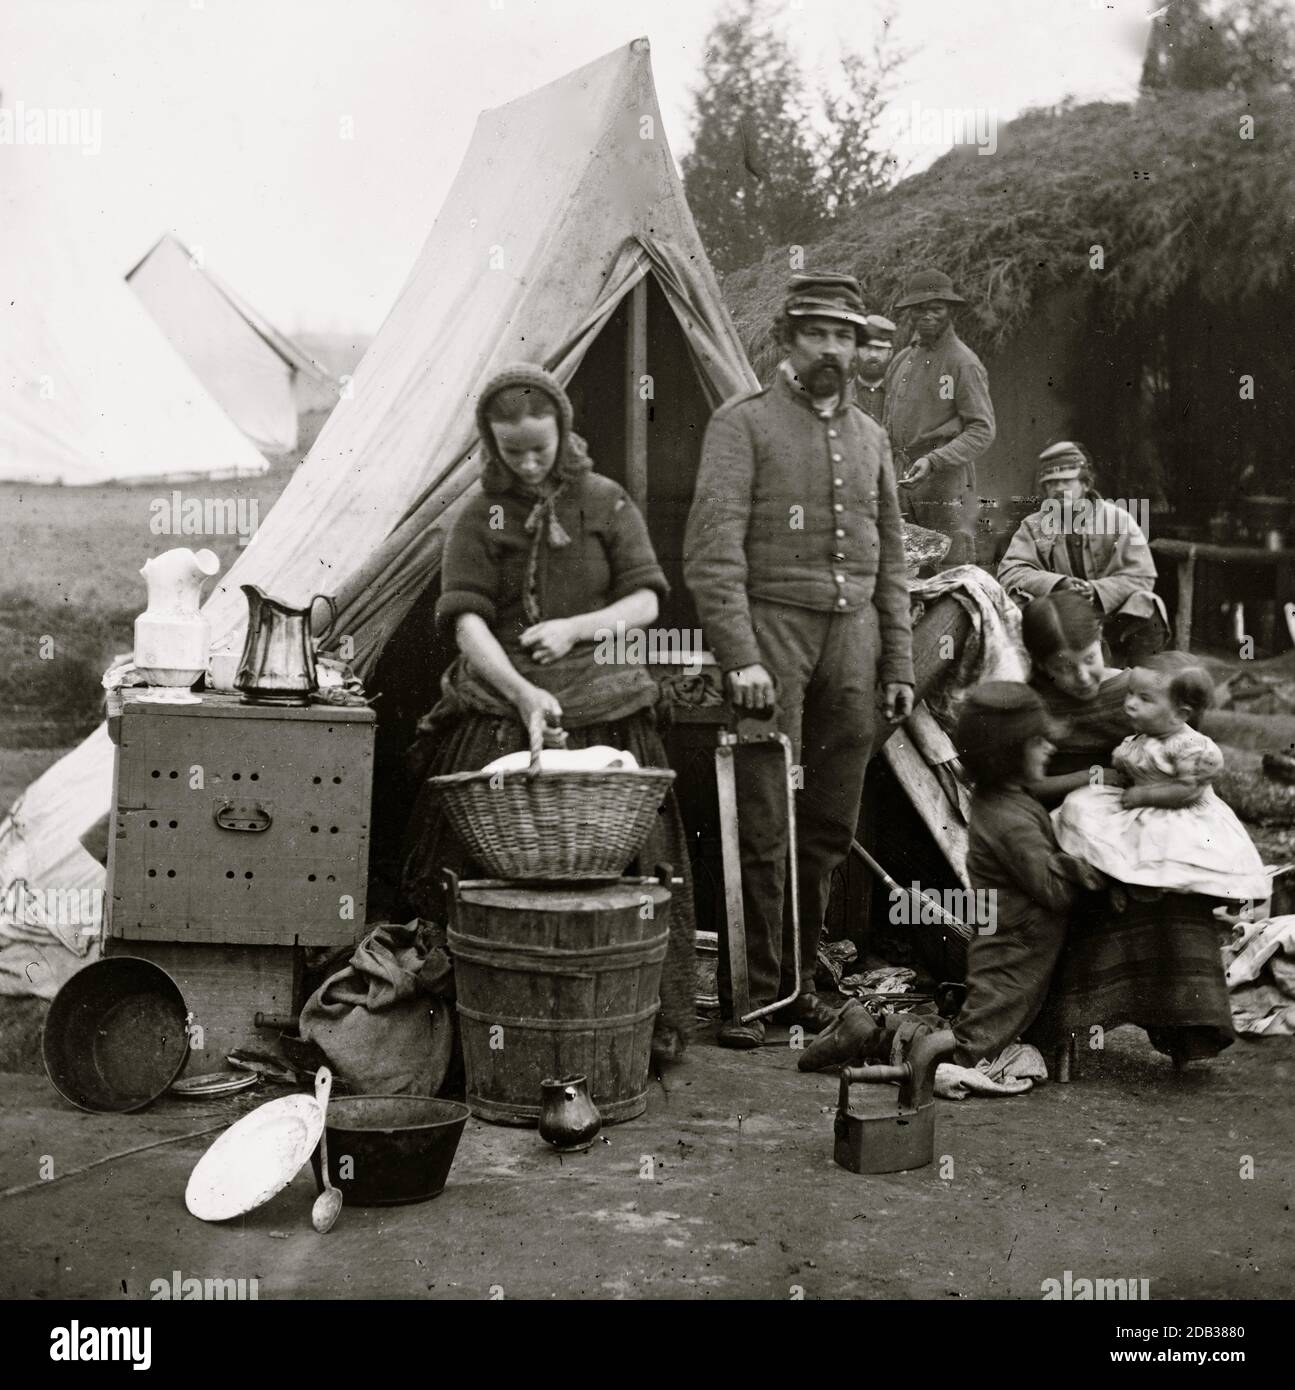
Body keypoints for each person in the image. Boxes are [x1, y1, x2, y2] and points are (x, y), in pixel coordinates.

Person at [401, 363, 696, 1066]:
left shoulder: (606, 501)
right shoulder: (478, 515)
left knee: (637, 865)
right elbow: (467, 623)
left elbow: (646, 603)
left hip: (604, 702)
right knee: (473, 865)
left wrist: (578, 628)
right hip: (501, 703)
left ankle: (637, 1024)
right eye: (513, 453)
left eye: (542, 448)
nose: (529, 464)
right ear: (491, 444)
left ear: (564, 431)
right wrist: (522, 693)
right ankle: (479, 1027)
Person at [684, 272, 915, 1049]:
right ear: (785, 342)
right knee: (762, 817)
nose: (831, 348)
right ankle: (751, 998)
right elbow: (711, 555)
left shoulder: (872, 438)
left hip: (853, 644)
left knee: (825, 824)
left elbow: (891, 563)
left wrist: (899, 666)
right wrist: (739, 655)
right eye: (815, 332)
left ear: (857, 349)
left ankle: (800, 985)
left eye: (845, 335)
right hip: (770, 638)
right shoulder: (741, 424)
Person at [1020, 591, 1237, 1066]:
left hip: (1145, 810)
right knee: (1090, 881)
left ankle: (1188, 1031)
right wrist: (1093, 779)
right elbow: (1030, 786)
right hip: (1071, 817)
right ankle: (1068, 1031)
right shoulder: (1035, 708)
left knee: (1173, 882)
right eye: (1063, 667)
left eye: (1090, 659)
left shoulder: (1136, 690)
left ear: (1102, 641)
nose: (1081, 677)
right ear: (1039, 664)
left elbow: (1185, 753)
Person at [949, 683, 1105, 1068]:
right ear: (1007, 754)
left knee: (988, 1026)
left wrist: (1095, 777)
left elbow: (1040, 789)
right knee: (973, 1047)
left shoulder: (1004, 797)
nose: (1049, 748)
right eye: (1038, 742)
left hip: (1016, 939)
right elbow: (1054, 892)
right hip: (1016, 947)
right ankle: (874, 1038)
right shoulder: (1010, 820)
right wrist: (1084, 868)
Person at [1053, 655, 1270, 902]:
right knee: (1083, 806)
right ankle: (1099, 873)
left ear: (1179, 714)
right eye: (1130, 693)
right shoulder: (1145, 736)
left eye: (1145, 699)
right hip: (1140, 804)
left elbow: (1188, 790)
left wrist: (1145, 795)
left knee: (1159, 844)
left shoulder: (1190, 746)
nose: (1130, 704)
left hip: (1177, 812)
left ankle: (1142, 886)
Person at [998, 441, 1169, 666]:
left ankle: (1142, 679)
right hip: (1059, 618)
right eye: (1051, 483)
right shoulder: (1034, 525)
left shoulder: (1119, 519)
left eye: (1066, 481)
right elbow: (1011, 571)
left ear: (1085, 484)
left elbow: (1142, 575)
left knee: (1147, 604)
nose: (1058, 489)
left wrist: (1096, 591)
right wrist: (1058, 584)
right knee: (1017, 601)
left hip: (1109, 617)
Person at [883, 269, 995, 568]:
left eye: (936, 308)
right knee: (902, 567)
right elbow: (888, 425)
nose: (927, 316)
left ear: (950, 311)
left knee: (949, 570)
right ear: (909, 313)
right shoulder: (901, 361)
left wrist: (935, 460)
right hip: (902, 478)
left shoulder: (963, 362)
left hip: (944, 484)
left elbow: (982, 430)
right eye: (920, 309)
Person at [852, 313, 896, 423]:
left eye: (880, 348)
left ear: (890, 353)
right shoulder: (841, 392)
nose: (873, 354)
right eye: (867, 347)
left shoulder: (899, 394)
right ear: (855, 350)